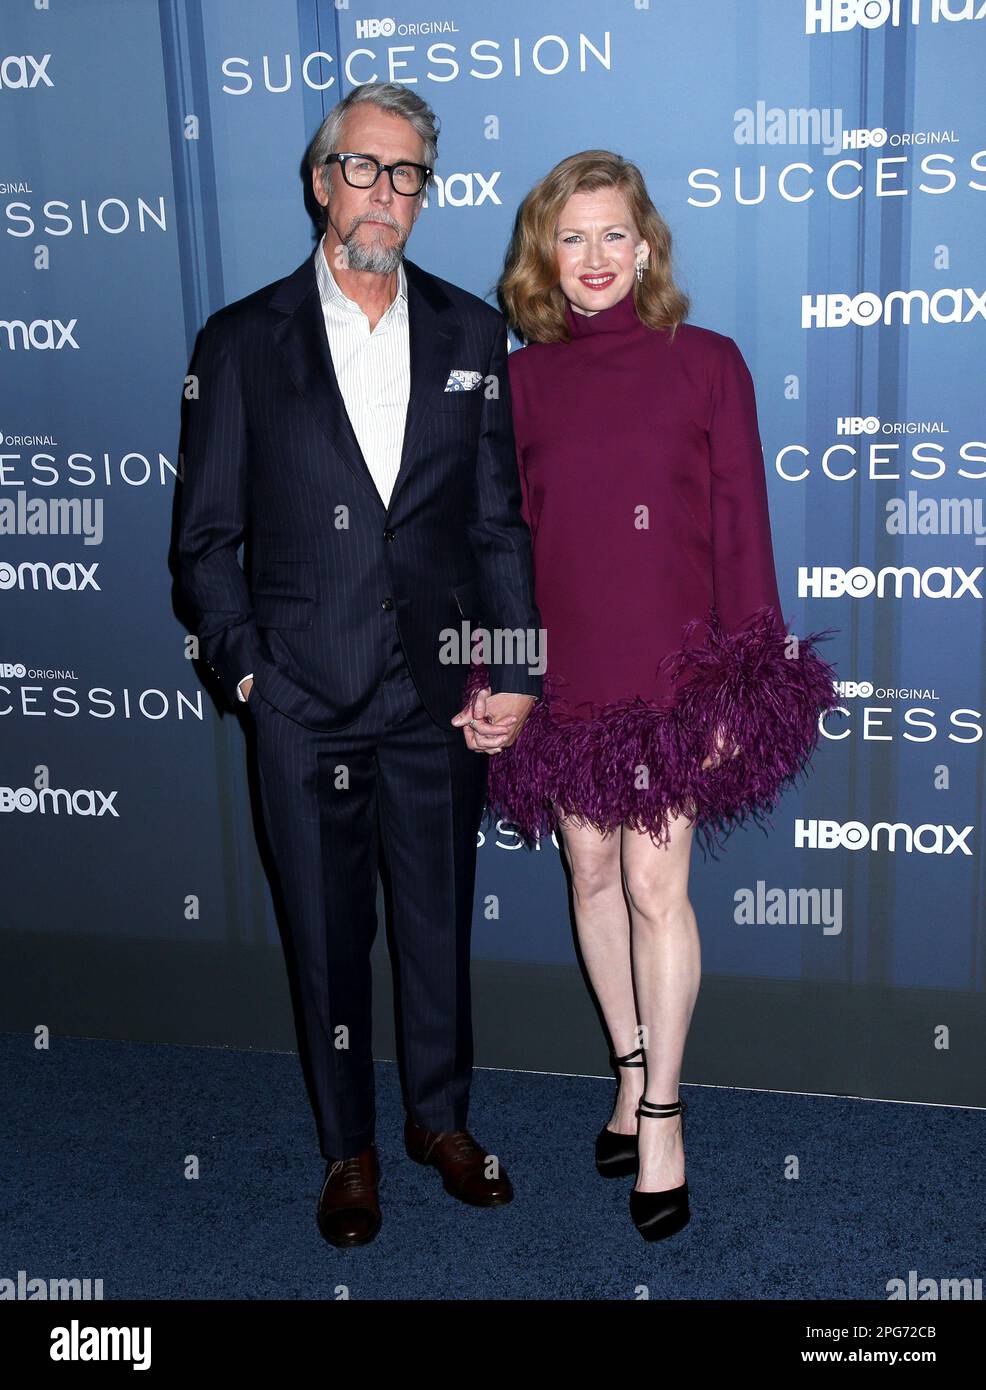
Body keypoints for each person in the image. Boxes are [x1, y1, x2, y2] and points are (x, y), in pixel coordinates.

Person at [176, 82, 541, 1248]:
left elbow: (497, 526)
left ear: (424, 194)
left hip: (436, 697)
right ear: (320, 179)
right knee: (327, 942)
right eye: (364, 168)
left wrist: (515, 667)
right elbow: (201, 543)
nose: (385, 193)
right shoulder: (238, 343)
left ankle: (441, 1119)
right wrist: (247, 680)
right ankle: (349, 1150)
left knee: (437, 925)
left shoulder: (472, 332)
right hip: (300, 704)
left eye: (408, 175)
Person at [457, 150, 839, 1242]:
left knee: (653, 884)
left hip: (670, 680)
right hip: (562, 672)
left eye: (612, 234)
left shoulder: (706, 362)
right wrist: (496, 669)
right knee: (586, 872)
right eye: (570, 237)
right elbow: (498, 545)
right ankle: (626, 1070)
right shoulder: (518, 380)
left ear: (645, 244)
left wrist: (740, 682)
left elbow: (740, 532)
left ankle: (663, 1115)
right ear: (543, 252)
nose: (593, 258)